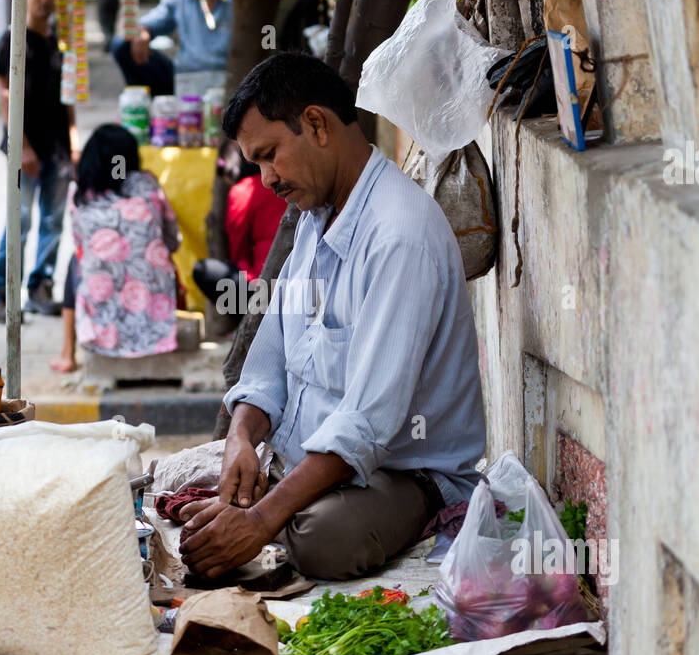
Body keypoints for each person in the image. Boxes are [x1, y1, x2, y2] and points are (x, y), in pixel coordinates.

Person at [179, 52, 487, 583]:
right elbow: (267, 364)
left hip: (405, 473)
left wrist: (258, 520)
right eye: (256, 163)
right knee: (211, 499)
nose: (267, 177)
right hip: (314, 458)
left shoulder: (398, 238)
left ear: (317, 124)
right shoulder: (314, 218)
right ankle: (279, 498)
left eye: (270, 155)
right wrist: (240, 440)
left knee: (324, 540)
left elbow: (366, 426)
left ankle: (299, 507)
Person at [0, 0, 80, 323]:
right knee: (19, 220)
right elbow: (4, 95)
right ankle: (0, 295)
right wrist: (21, 146)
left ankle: (41, 288)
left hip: (57, 148)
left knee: (54, 222)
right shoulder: (12, 40)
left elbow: (68, 97)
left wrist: (74, 143)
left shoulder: (60, 41)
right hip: (23, 150)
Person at [49, 125, 180, 371]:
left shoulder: (79, 194)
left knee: (75, 262)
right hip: (153, 306)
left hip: (102, 309)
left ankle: (67, 353)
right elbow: (172, 241)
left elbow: (81, 246)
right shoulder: (149, 185)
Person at [122, 0, 231, 99]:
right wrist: (144, 32)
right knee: (120, 45)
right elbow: (148, 22)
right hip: (189, 76)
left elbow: (267, 36)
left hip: (229, 76)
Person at [192, 155, 285, 322]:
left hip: (262, 288)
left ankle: (244, 320)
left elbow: (238, 249)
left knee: (203, 270)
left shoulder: (245, 190)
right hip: (301, 288)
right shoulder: (291, 185)